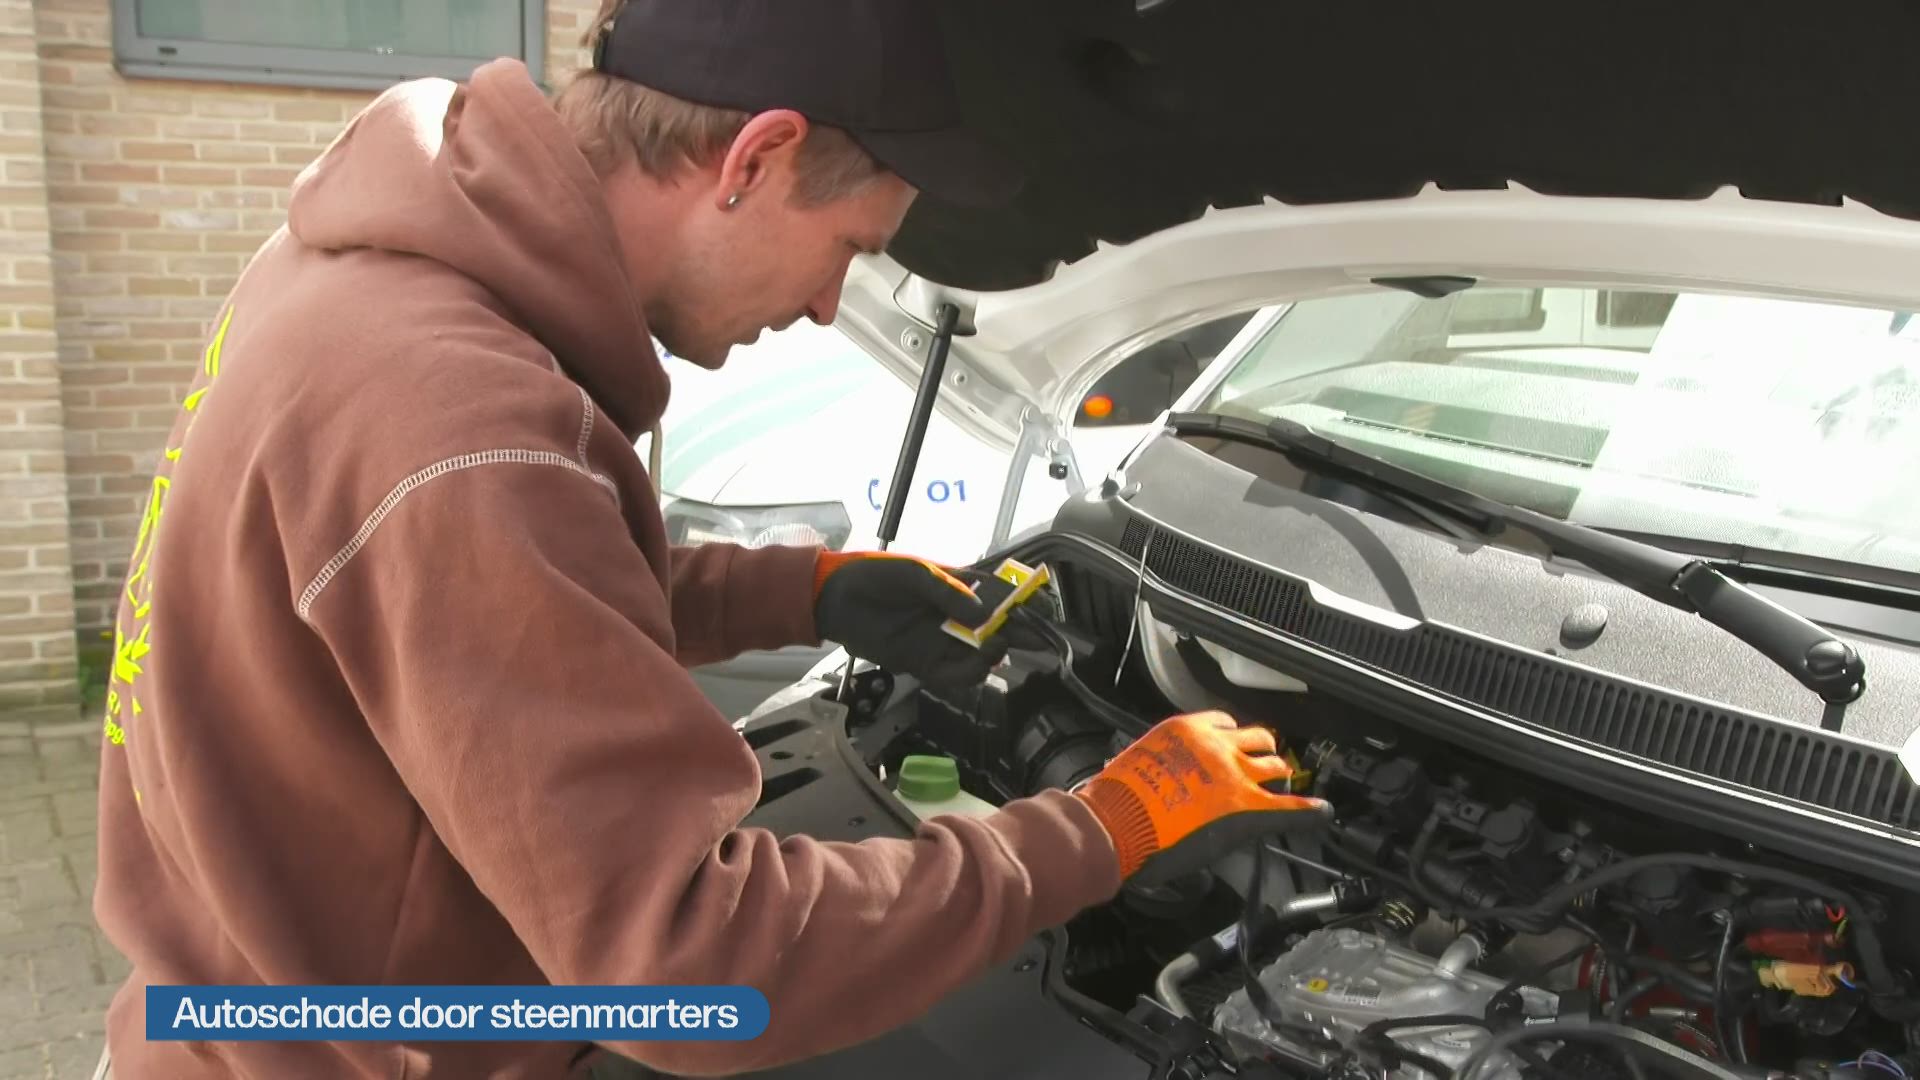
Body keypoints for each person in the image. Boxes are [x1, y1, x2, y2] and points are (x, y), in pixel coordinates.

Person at [88, 1, 1332, 1077]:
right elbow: (684, 964)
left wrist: (804, 591)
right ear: (755, 156)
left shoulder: (359, 270)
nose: (829, 303)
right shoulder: (465, 422)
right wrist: (1101, 829)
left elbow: (438, 623)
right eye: (849, 247)